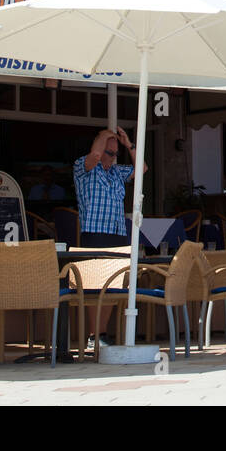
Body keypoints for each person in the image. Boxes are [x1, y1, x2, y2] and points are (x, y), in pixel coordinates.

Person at [74, 126, 144, 349]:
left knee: (113, 286)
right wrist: (105, 135)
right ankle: (93, 334)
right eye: (109, 153)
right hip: (95, 232)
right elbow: (94, 156)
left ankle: (101, 333)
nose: (112, 158)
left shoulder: (116, 172)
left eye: (115, 155)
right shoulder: (83, 167)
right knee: (95, 286)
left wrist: (128, 145)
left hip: (117, 233)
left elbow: (141, 168)